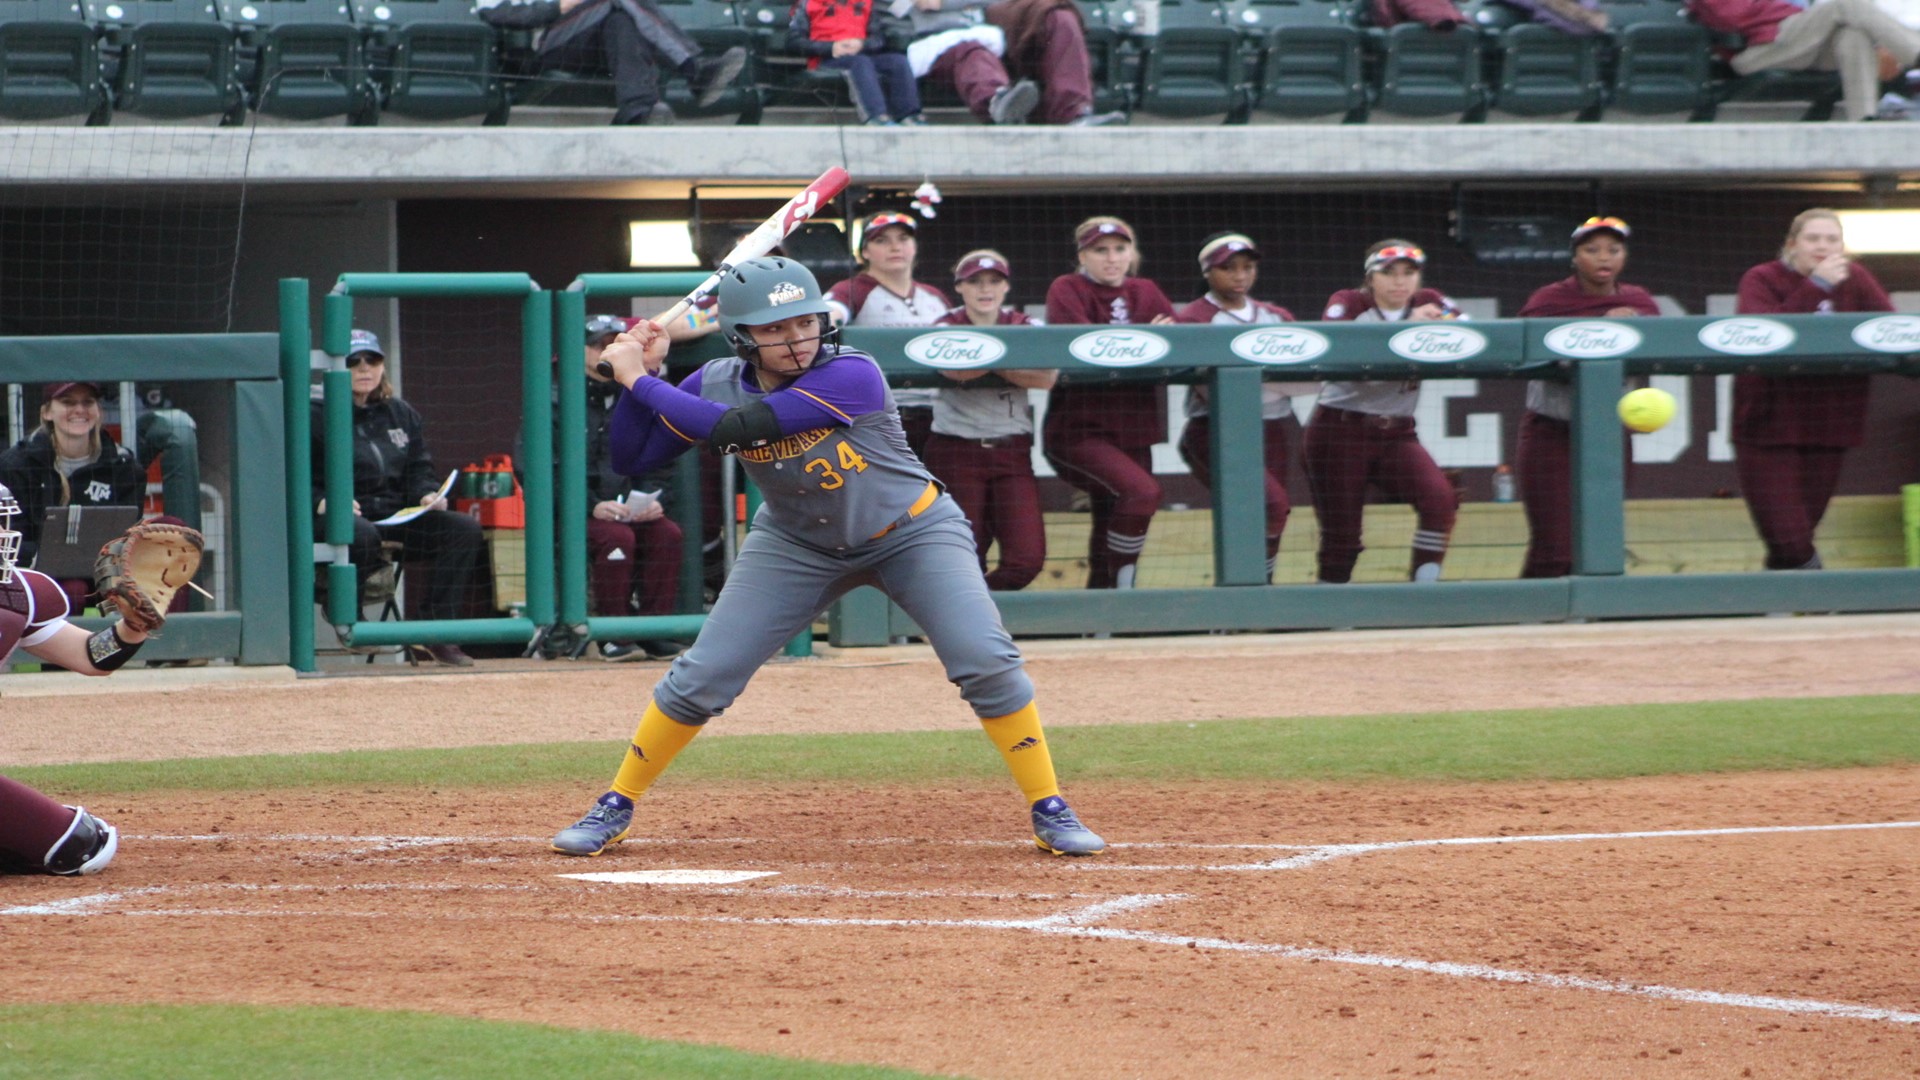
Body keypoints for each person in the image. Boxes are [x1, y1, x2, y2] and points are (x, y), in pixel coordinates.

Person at [549, 255, 1104, 859]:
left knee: (985, 661)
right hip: (795, 543)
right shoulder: (712, 379)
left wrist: (634, 377)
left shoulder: (852, 373)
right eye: (775, 329)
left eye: (804, 322)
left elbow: (738, 429)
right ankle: (617, 802)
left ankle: (1049, 804)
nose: (796, 340)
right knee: (702, 676)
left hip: (912, 532)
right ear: (743, 338)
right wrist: (647, 373)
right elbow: (634, 456)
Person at [0, 482, 160, 876]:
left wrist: (134, 626)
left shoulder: (17, 595)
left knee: (82, 845)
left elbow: (91, 656)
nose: (2, 537)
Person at [310, 329, 486, 667]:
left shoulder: (400, 412)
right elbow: (293, 472)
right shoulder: (314, 414)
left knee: (463, 530)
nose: (364, 369)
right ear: (336, 369)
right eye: (354, 362)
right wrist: (322, 501)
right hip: (340, 516)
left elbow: (418, 466)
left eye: (372, 360)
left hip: (393, 513)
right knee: (359, 532)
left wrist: (426, 493)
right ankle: (346, 612)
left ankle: (436, 631)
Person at [1733, 208, 1893, 571]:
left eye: (1831, 239)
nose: (1822, 247)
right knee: (1788, 537)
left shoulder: (1857, 278)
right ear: (1792, 245)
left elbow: (1890, 329)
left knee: (1798, 535)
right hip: (1767, 426)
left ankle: (1776, 610)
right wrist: (1817, 286)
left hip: (1830, 425)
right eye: (1813, 239)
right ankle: (1824, 601)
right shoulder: (1762, 278)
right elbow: (1764, 335)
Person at [1513, 217, 1662, 580]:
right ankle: (1529, 616)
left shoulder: (1637, 301)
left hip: (1609, 434)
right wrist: (1597, 330)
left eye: (1614, 249)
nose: (1603, 258)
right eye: (1591, 249)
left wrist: (1634, 327)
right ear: (1575, 257)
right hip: (1551, 429)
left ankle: (1591, 618)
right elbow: (1523, 355)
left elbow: (1660, 349)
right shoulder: (1550, 299)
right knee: (1555, 543)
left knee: (1600, 534)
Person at [1308, 240, 1460, 584]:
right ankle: (1329, 612)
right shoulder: (1348, 301)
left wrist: (1443, 325)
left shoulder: (1430, 301)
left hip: (1398, 432)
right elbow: (1335, 343)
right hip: (1340, 428)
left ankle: (1423, 594)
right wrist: (1408, 324)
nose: (1399, 281)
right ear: (1370, 277)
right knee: (1342, 537)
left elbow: (1477, 334)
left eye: (1409, 273)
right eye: (1388, 273)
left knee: (1440, 500)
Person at [1043, 216, 1176, 590]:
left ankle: (1101, 616)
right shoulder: (1067, 287)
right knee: (1142, 492)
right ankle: (1125, 590)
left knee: (1112, 517)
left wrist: (1145, 343)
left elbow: (1178, 343)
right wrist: (1146, 339)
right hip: (1079, 430)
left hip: (1136, 429)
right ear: (1083, 255)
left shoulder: (1146, 289)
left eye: (1120, 248)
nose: (1112, 258)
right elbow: (1083, 348)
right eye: (1100, 250)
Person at [921, 250, 1056, 590]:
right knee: (965, 553)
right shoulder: (946, 323)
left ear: (1006, 286)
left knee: (1027, 557)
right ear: (959, 287)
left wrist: (988, 361)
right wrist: (1011, 362)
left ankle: (981, 611)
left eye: (994, 281)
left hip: (1012, 451)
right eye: (975, 281)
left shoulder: (1025, 324)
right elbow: (953, 370)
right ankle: (960, 626)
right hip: (956, 450)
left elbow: (1047, 377)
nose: (985, 289)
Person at [1174, 233, 1298, 583]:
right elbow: (1205, 387)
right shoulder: (1195, 317)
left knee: (1268, 514)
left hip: (1273, 427)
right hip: (1217, 429)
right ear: (1208, 271)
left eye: (1247, 266)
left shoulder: (1275, 315)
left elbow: (1308, 376)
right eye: (1229, 268)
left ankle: (1258, 595)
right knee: (1267, 506)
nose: (1240, 275)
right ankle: (1248, 597)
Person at [580, 314, 687, 661]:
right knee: (617, 537)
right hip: (578, 512)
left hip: (630, 507)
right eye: (598, 345)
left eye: (613, 344)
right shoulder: (555, 394)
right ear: (580, 350)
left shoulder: (637, 388)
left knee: (666, 532)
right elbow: (537, 468)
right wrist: (591, 504)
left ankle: (654, 630)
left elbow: (660, 458)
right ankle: (616, 635)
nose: (605, 351)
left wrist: (655, 500)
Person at [0, 381, 148, 614]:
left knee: (167, 547)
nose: (79, 409)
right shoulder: (16, 464)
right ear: (47, 412)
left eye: (87, 402)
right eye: (68, 402)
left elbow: (129, 532)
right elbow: (11, 538)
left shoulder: (124, 466)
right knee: (73, 589)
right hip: (38, 574)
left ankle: (167, 649)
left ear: (98, 410)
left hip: (107, 572)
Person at [478, 0, 748, 125]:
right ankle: (695, 69)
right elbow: (497, 13)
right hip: (549, 45)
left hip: (598, 38)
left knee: (622, 21)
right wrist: (557, 7)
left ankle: (639, 110)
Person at [824, 212, 951, 459]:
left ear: (914, 247)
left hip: (940, 420)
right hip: (881, 418)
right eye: (882, 240)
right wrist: (827, 316)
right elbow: (828, 313)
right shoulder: (852, 289)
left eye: (903, 238)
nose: (895, 247)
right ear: (865, 251)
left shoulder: (935, 296)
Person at [1686, 0, 1920, 121]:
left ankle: (1864, 118)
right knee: (1846, 3)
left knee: (1853, 36)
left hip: (1793, 38)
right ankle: (1914, 53)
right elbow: (1735, 17)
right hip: (1758, 50)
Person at [982, 0, 1128, 124]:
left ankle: (1074, 113)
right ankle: (1003, 105)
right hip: (983, 9)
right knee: (1050, 12)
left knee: (1061, 17)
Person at [787, 0, 925, 126]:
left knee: (897, 61)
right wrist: (831, 47)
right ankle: (876, 117)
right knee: (860, 62)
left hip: (862, 53)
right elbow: (793, 42)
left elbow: (878, 39)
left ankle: (909, 115)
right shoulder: (808, 4)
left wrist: (862, 44)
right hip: (827, 58)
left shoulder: (866, 3)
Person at [902, 0, 1041, 124]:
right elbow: (927, 3)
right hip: (929, 43)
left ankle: (1008, 104)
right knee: (972, 53)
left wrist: (946, 4)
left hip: (978, 36)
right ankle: (995, 101)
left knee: (978, 52)